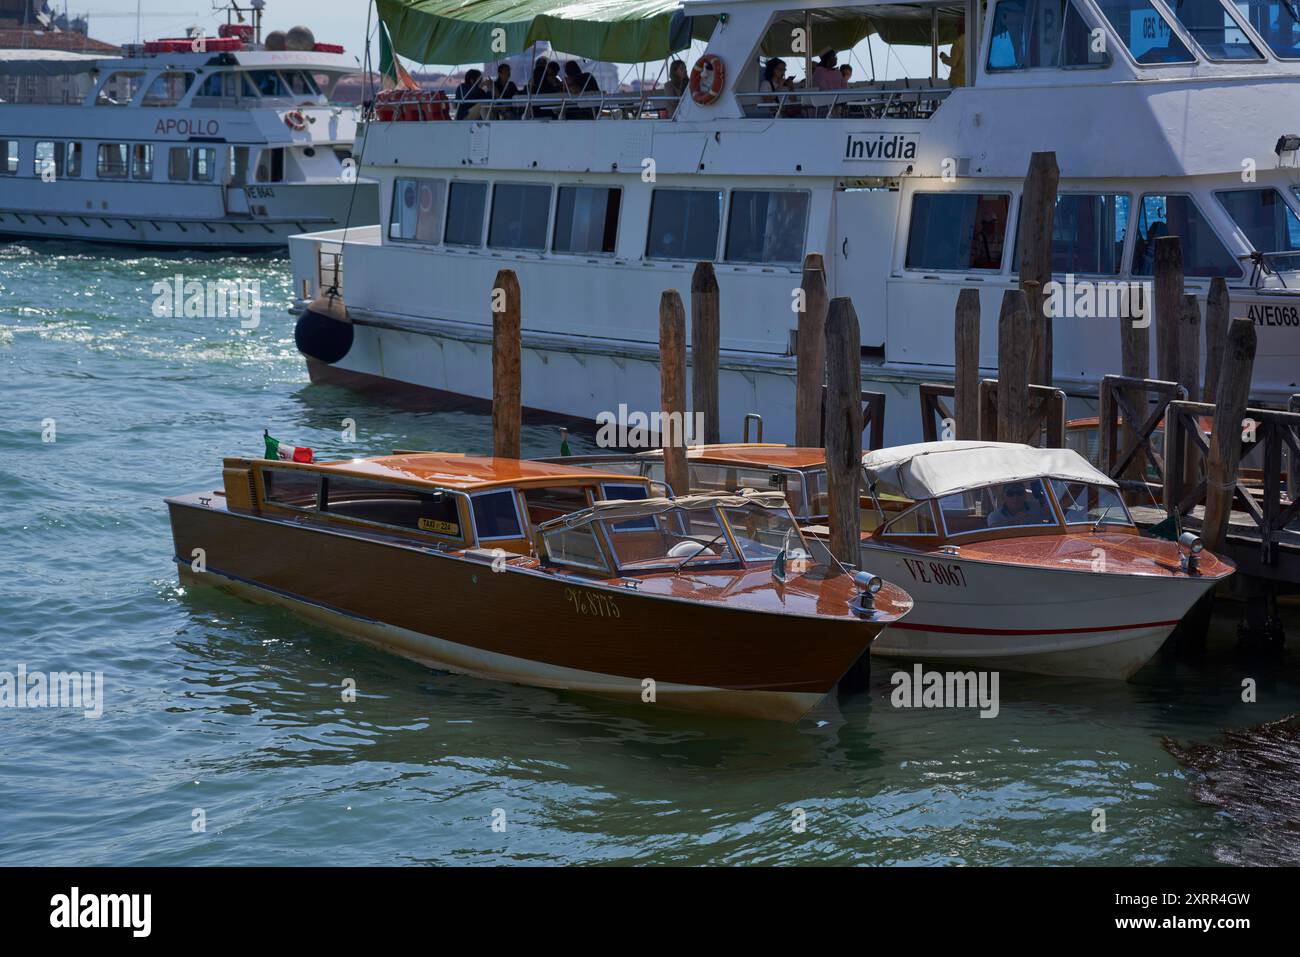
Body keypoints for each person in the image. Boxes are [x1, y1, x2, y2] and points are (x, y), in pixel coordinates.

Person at [940, 18, 966, 87]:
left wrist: (943, 57)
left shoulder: (958, 42)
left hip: (957, 82)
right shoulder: (973, 40)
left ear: (960, 27)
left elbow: (953, 62)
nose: (956, 29)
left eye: (956, 26)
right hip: (969, 82)